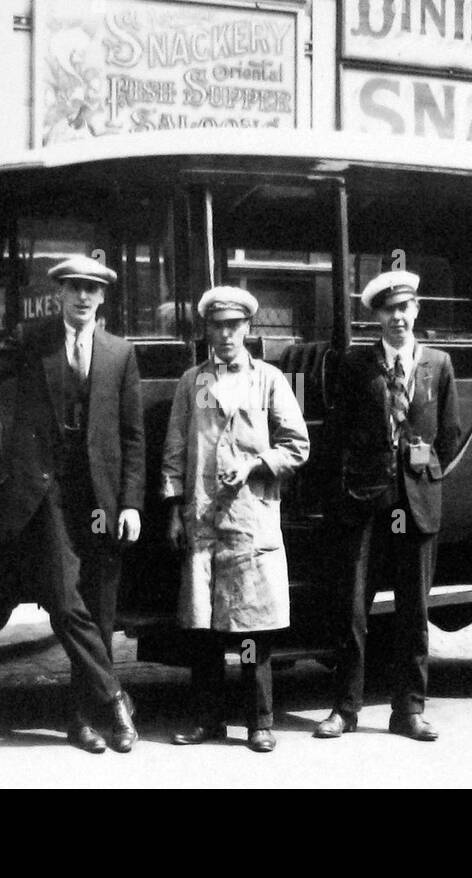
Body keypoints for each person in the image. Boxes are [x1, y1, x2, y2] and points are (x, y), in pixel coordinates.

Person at [0, 253, 144, 754]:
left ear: (103, 297)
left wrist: (131, 503)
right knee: (67, 604)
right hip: (46, 492)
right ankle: (115, 698)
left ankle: (83, 721)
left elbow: (133, 439)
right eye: (75, 289)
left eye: (92, 290)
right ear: (62, 293)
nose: (83, 298)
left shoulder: (119, 353)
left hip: (100, 499)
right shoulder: (32, 340)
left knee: (100, 608)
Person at [161, 286, 310, 753]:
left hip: (251, 520)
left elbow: (297, 444)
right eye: (217, 325)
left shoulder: (268, 379)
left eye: (234, 325)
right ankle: (208, 720)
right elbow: (175, 450)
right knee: (205, 627)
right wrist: (172, 509)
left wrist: (253, 464)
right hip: (202, 517)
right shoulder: (193, 382)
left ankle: (259, 722)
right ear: (206, 329)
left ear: (248, 328)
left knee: (252, 627)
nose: (225, 334)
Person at [315, 270, 462, 743]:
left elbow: (451, 435)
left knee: (413, 610)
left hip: (417, 501)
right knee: (353, 609)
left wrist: (424, 470)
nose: (398, 317)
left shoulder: (438, 364)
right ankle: (345, 710)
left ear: (417, 311)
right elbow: (336, 435)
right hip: (364, 502)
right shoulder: (358, 366)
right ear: (376, 317)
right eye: (388, 310)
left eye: (405, 308)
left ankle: (409, 711)